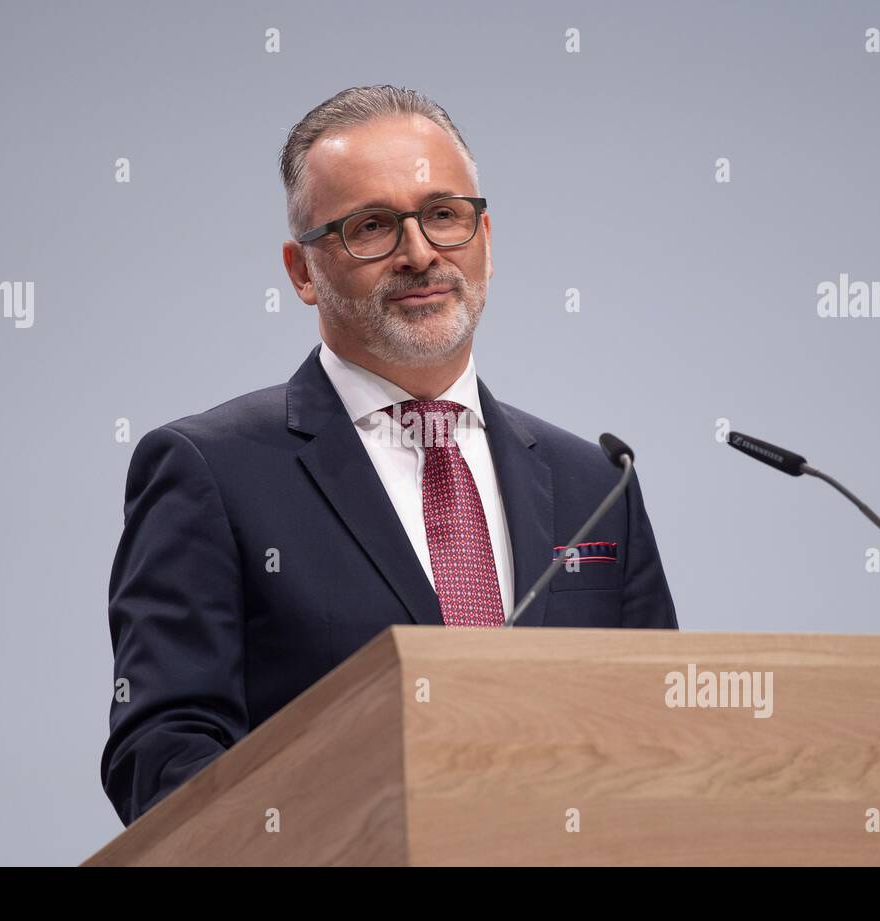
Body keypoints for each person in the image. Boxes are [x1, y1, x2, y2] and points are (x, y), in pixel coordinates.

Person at [101, 85, 678, 827]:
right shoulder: (209, 471)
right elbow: (164, 754)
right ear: (302, 272)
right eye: (369, 226)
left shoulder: (593, 481)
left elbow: (661, 736)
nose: (418, 253)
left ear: (487, 239)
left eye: (443, 214)